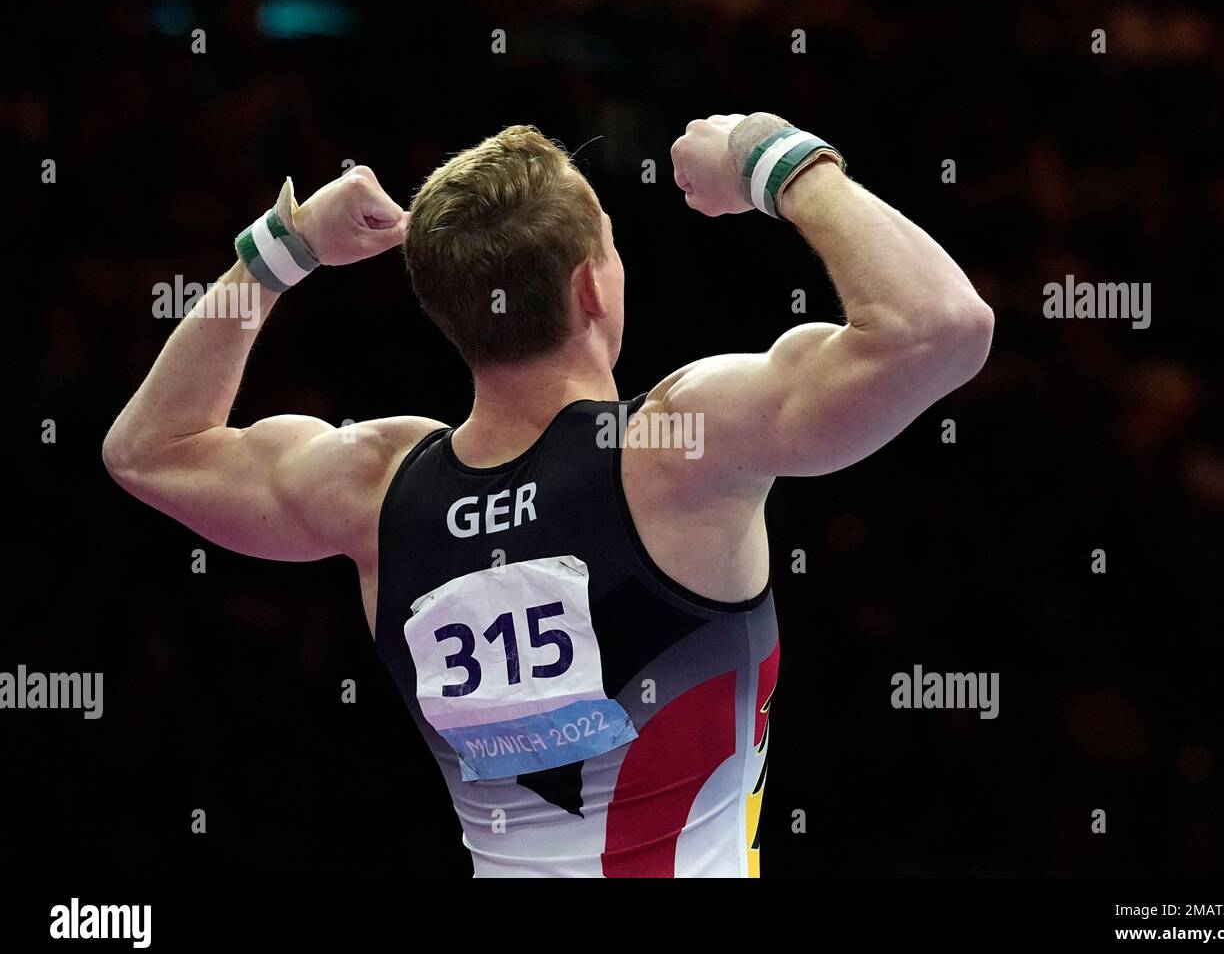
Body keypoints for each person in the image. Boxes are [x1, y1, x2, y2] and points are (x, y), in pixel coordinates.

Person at [103, 113, 994, 877]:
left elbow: (152, 450)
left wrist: (282, 249)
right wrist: (772, 157)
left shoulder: (372, 489)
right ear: (589, 286)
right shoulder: (674, 450)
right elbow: (942, 327)